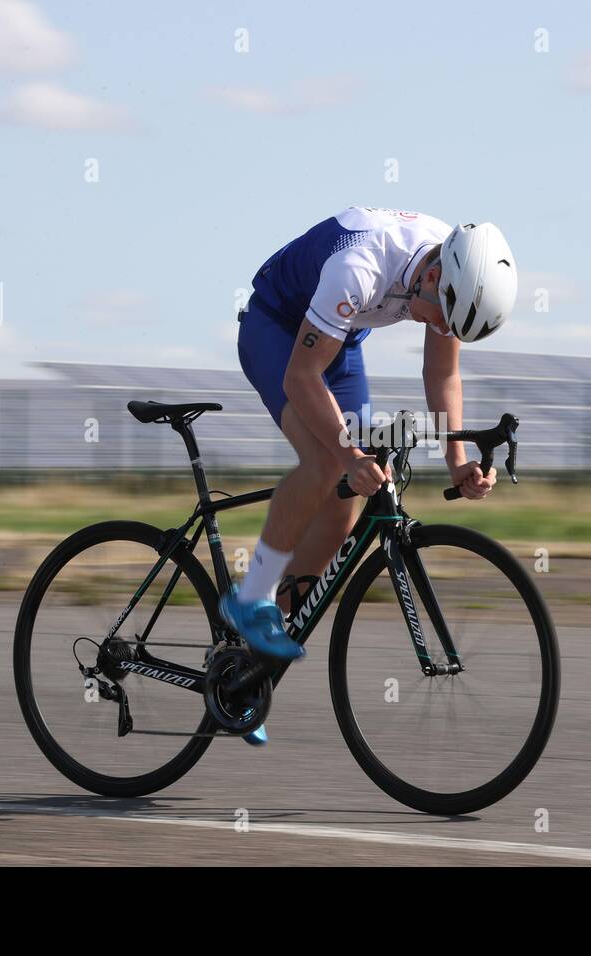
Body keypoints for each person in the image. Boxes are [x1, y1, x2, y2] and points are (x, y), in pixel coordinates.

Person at [224, 206, 517, 742]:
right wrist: (349, 456)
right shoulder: (359, 266)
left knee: (345, 503)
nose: (439, 328)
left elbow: (442, 370)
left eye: (452, 327)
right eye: (438, 316)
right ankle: (251, 598)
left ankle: (249, 664)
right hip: (277, 328)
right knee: (323, 463)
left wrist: (458, 462)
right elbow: (300, 374)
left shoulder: (449, 279)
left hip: (341, 339)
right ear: (433, 276)